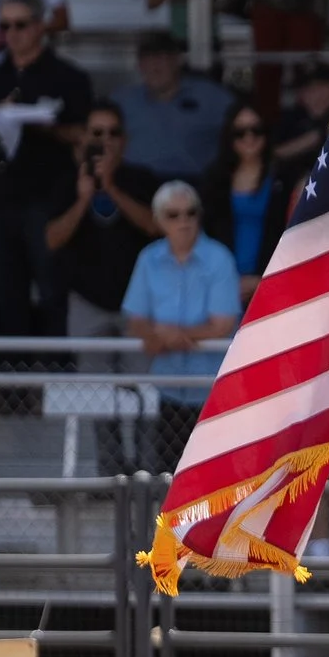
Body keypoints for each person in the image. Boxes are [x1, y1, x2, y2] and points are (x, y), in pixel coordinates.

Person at [0, 0, 93, 337]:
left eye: (21, 24)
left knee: (53, 291)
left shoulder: (69, 77)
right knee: (5, 295)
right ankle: (14, 372)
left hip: (48, 199)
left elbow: (87, 133)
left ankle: (56, 370)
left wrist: (47, 127)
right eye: (5, 26)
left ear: (40, 26)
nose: (12, 33)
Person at [118, 181, 239, 476]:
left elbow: (223, 324)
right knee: (166, 477)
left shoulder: (220, 258)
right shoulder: (148, 258)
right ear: (159, 220)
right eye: (173, 215)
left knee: (211, 480)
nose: (184, 221)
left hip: (211, 391)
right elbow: (135, 319)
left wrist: (171, 335)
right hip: (165, 391)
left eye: (190, 213)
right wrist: (158, 335)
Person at [46, 100, 163, 341]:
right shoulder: (65, 182)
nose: (106, 140)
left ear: (124, 140)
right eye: (97, 133)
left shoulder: (142, 179)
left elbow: (154, 226)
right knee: (90, 369)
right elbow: (52, 240)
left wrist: (111, 187)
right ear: (84, 138)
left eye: (113, 133)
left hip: (138, 302)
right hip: (86, 301)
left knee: (139, 369)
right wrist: (83, 200)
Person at [200, 102, 296, 302]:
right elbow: (206, 232)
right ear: (229, 136)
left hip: (272, 282)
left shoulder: (285, 177)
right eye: (240, 132)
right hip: (221, 284)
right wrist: (225, 279)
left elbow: (293, 234)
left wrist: (264, 278)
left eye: (256, 130)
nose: (249, 137)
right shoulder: (214, 179)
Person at [115, 31, 235, 183]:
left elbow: (244, 128)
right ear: (139, 65)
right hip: (134, 184)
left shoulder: (211, 96)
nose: (154, 66)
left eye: (161, 58)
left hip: (195, 183)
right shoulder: (123, 101)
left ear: (176, 60)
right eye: (147, 59)